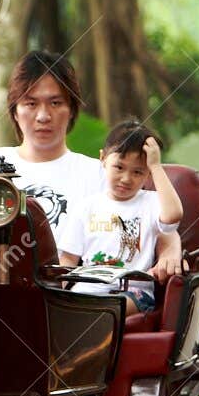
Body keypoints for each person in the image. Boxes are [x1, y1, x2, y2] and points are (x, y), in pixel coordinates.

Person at [0, 50, 99, 239]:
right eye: (31, 104)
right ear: (15, 111)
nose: (43, 116)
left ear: (71, 110)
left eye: (55, 102)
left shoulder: (96, 174)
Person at [58, 119, 184, 314]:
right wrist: (59, 294)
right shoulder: (86, 207)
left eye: (137, 172)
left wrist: (156, 167)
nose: (126, 179)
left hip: (133, 292)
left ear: (147, 174)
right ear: (103, 159)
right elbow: (68, 258)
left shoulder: (151, 202)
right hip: (88, 289)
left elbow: (173, 216)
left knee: (111, 309)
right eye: (119, 167)